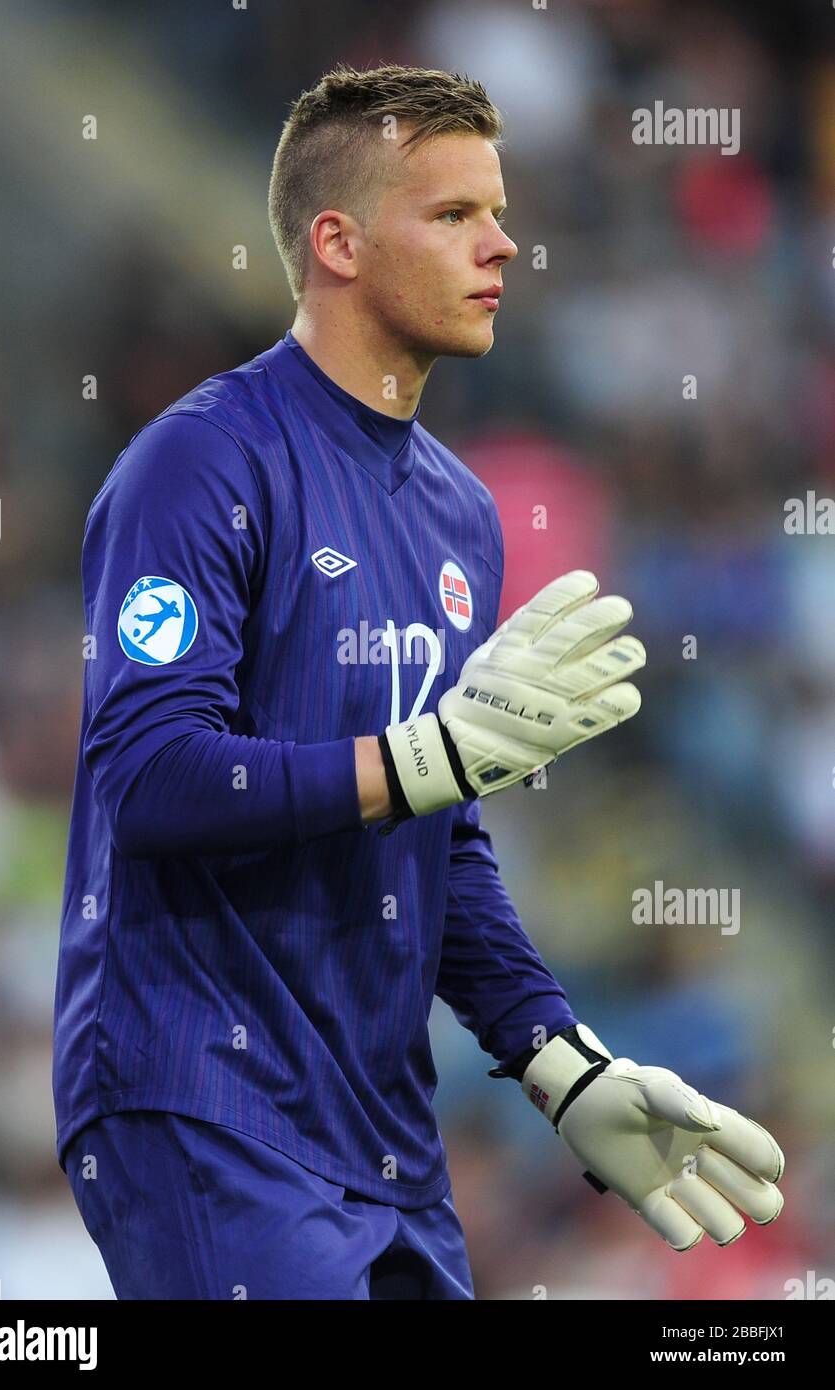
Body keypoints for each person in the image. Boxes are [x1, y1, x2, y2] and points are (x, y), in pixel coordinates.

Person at [53, 63, 783, 1301]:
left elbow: (442, 839)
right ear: (335, 243)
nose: (502, 244)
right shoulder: (197, 464)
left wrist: (561, 1061)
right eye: (453, 215)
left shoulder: (458, 513)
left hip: (382, 1134)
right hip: (201, 1106)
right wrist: (420, 759)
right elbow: (149, 780)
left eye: (497, 212)